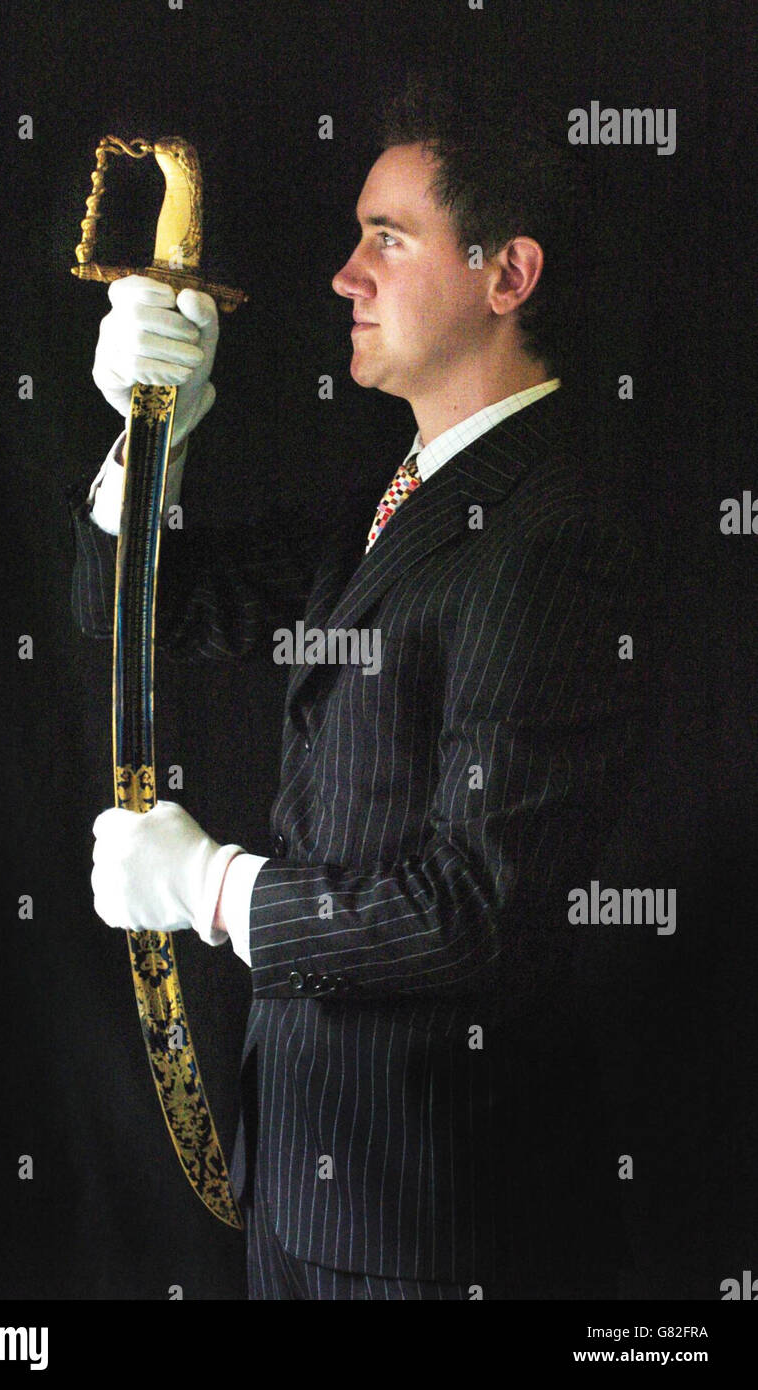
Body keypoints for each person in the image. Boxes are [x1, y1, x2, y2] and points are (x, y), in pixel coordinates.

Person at [69, 72, 646, 1299]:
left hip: (424, 1231)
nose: (346, 275)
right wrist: (150, 432)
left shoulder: (550, 538)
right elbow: (152, 608)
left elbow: (476, 909)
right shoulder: (402, 503)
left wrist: (212, 888)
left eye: (388, 238)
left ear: (508, 276)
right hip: (307, 1184)